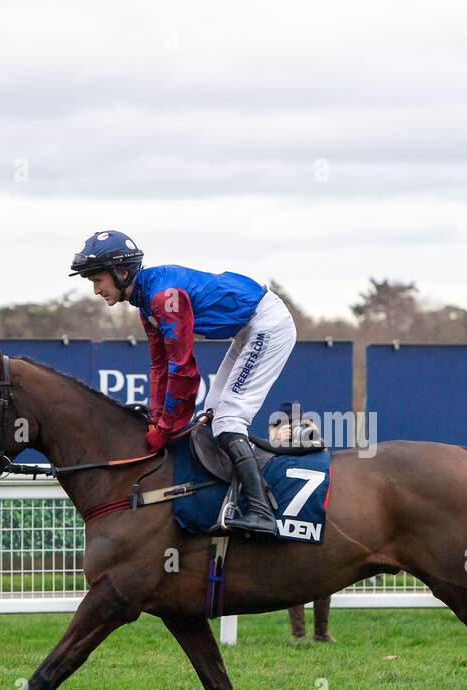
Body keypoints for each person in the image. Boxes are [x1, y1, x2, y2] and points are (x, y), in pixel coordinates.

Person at [70, 230, 297, 536]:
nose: (96, 289)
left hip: (267, 324)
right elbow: (160, 366)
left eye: (97, 280)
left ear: (121, 273)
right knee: (214, 412)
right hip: (248, 327)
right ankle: (232, 498)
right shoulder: (146, 304)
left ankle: (262, 512)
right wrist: (156, 417)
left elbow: (184, 370)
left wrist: (165, 430)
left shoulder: (164, 298)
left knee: (229, 420)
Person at [270, 402, 335, 643]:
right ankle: (298, 634)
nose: (294, 428)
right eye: (289, 423)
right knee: (295, 575)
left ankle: (321, 632)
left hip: (314, 511)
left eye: (299, 422)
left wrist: (315, 435)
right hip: (287, 515)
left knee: (324, 574)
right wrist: (277, 440)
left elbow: (327, 459)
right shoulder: (271, 445)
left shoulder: (312, 440)